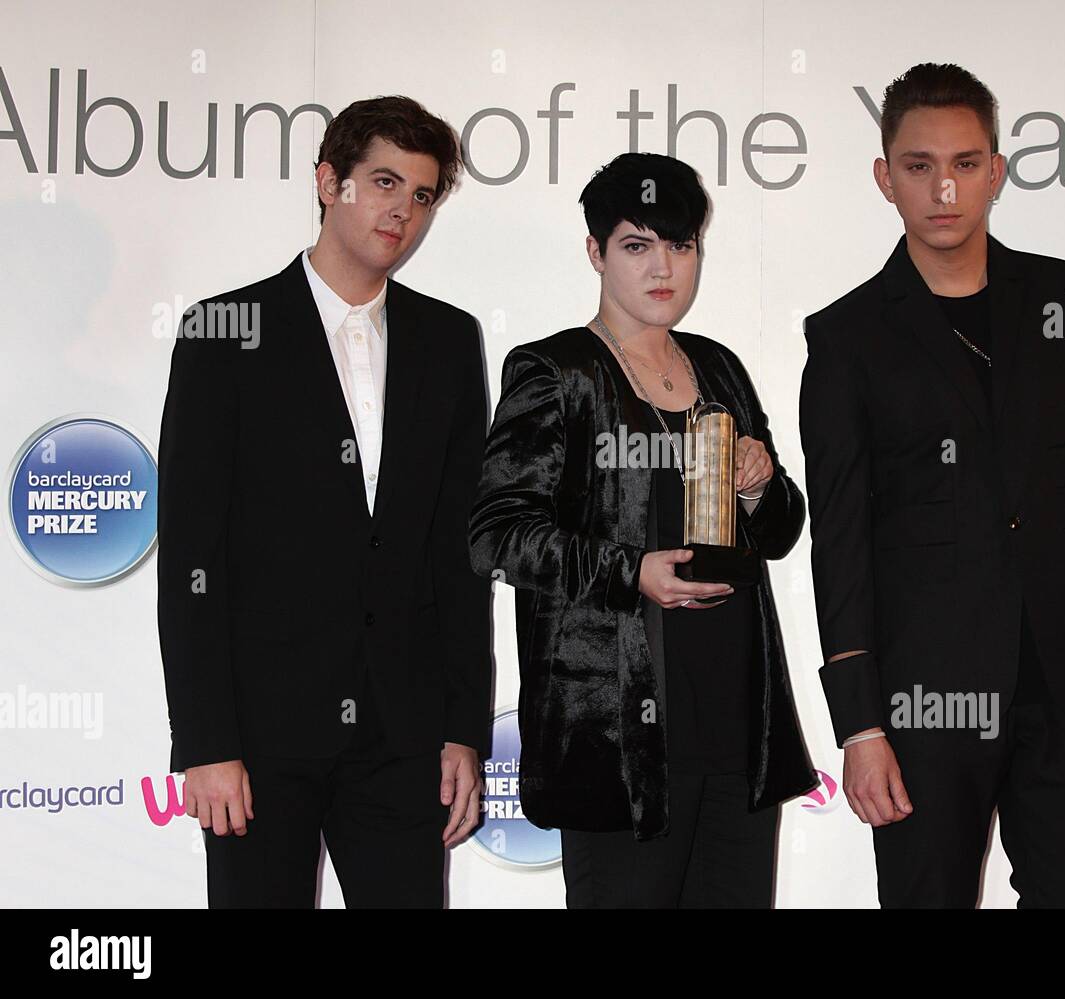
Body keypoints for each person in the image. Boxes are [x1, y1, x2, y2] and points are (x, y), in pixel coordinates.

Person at [800, 63, 1065, 907]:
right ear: (884, 177)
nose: (944, 188)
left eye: (967, 163)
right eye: (920, 165)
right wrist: (860, 723)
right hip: (923, 704)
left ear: (997, 172)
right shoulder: (845, 338)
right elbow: (842, 543)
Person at [156, 95, 492, 907]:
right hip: (260, 740)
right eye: (383, 182)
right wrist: (206, 741)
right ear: (327, 181)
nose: (402, 212)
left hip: (402, 737)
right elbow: (192, 553)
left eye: (422, 195)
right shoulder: (224, 332)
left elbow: (458, 550)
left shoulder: (449, 341)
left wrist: (462, 728)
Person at [468, 152, 816, 908]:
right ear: (596, 252)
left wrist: (760, 487)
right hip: (616, 743)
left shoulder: (719, 368)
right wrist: (633, 571)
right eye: (637, 245)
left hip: (733, 730)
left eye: (681, 244)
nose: (664, 266)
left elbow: (781, 530)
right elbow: (498, 533)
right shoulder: (556, 371)